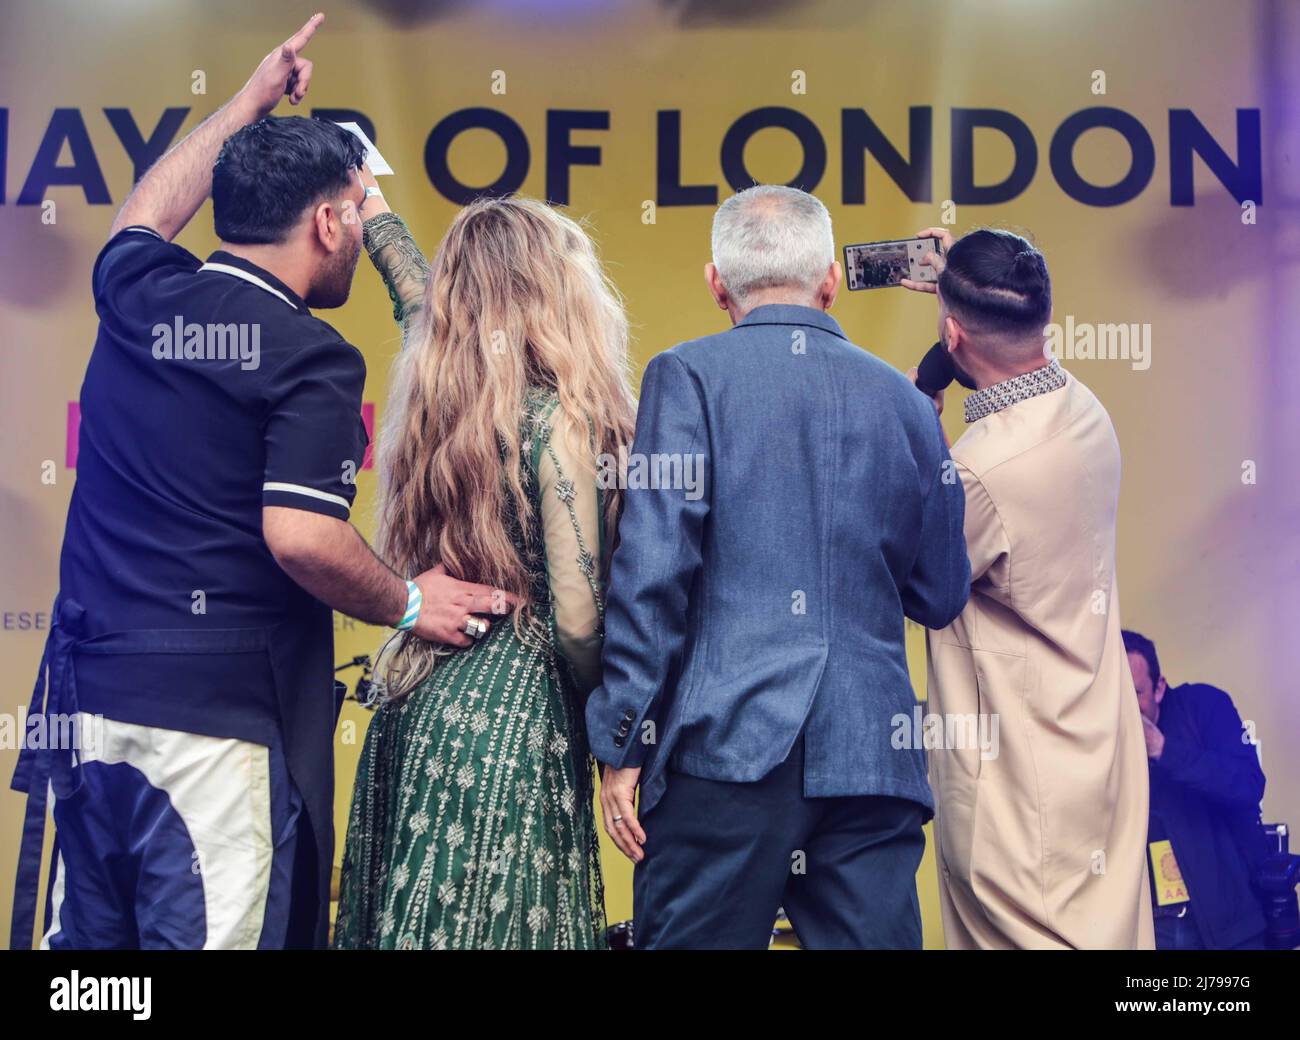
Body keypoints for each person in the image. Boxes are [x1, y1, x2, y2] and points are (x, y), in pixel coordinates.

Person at [10, 15, 509, 951]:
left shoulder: (141, 291)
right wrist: (409, 601)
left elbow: (145, 212)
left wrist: (248, 101)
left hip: (89, 708)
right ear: (327, 223)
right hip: (213, 732)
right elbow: (302, 536)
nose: (361, 228)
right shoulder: (313, 358)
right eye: (358, 210)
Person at [586, 184, 969, 950]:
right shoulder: (907, 403)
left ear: (716, 283)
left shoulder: (687, 376)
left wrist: (624, 740)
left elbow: (654, 571)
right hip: (870, 755)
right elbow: (940, 591)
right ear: (830, 280)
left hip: (724, 750)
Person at [332, 179, 637, 949]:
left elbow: (414, 299)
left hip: (415, 704)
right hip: (514, 728)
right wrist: (616, 730)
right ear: (554, 293)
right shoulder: (561, 421)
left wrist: (375, 211)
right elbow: (578, 621)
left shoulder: (441, 402)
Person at [904, 226, 1154, 949]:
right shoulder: (1085, 410)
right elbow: (1004, 350)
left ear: (953, 333)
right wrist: (966, 288)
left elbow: (923, 582)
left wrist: (921, 402)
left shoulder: (984, 471)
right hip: (1093, 753)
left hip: (1019, 779)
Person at [1123, 630, 1269, 949]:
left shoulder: (1204, 706)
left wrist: (1162, 749)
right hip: (1154, 926)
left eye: (1135, 693)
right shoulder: (1101, 740)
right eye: (1117, 695)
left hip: (1229, 923)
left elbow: (1248, 784)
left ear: (1159, 687)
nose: (1126, 707)